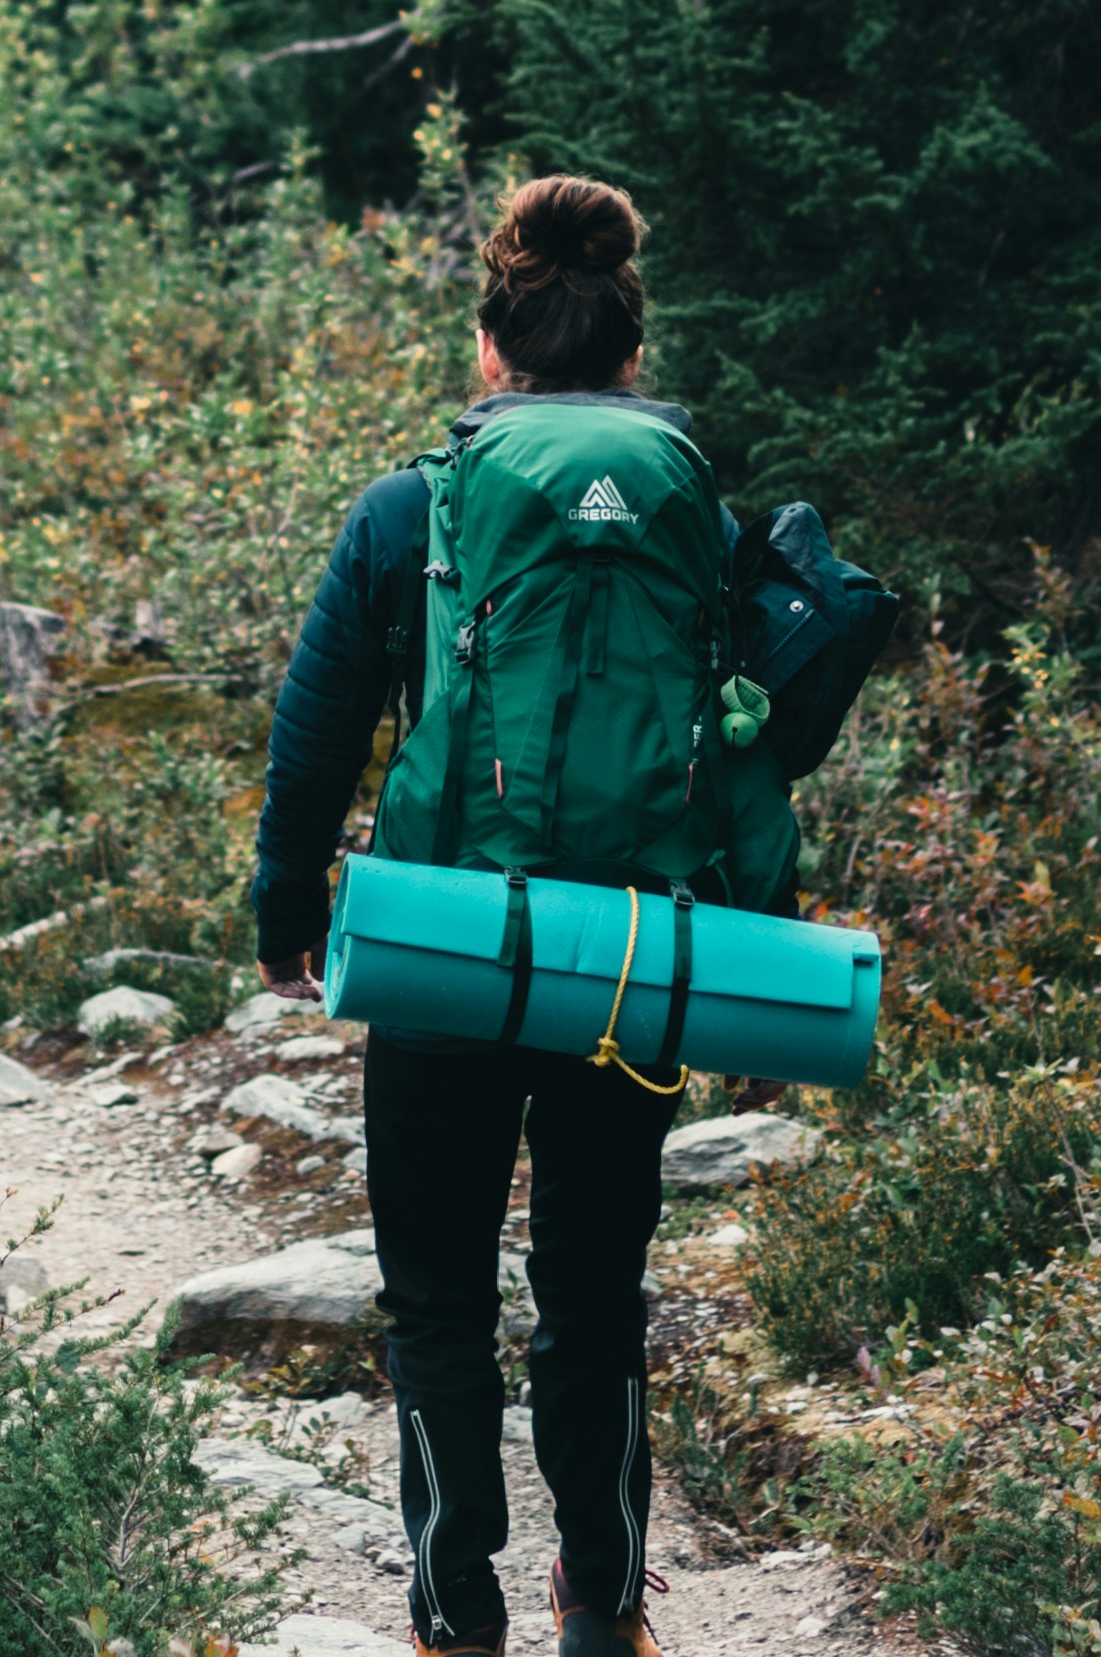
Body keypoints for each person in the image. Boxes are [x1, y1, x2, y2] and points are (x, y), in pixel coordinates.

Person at [252, 174, 690, 1657]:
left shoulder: (409, 510)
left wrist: (289, 907)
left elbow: (317, 730)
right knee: (595, 1290)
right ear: (632, 356)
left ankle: (455, 1609)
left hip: (442, 945)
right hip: (628, 954)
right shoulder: (688, 509)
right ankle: (604, 1604)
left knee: (437, 1294)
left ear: (489, 351)